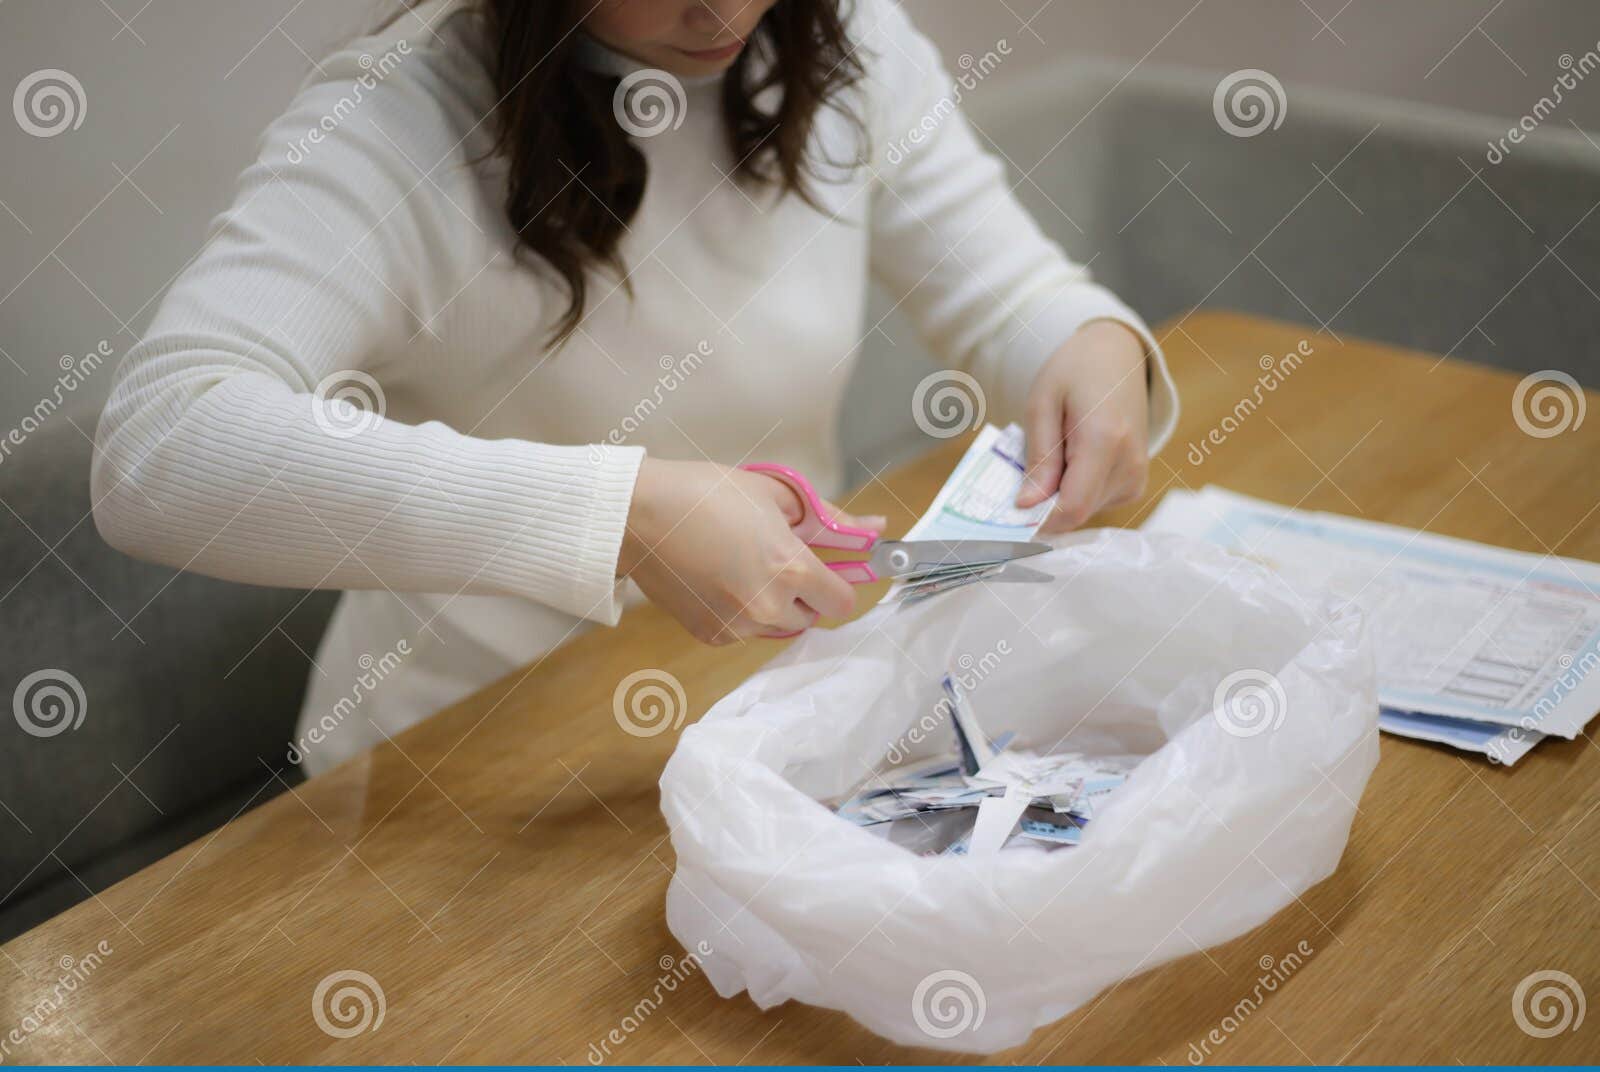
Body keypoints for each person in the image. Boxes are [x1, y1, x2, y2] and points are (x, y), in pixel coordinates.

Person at [92, 0, 1178, 776]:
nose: (722, 11)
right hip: (462, 763)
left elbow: (1004, 291)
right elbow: (160, 446)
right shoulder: (395, 124)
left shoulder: (848, 37)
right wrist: (620, 514)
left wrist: (1086, 343)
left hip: (758, 712)